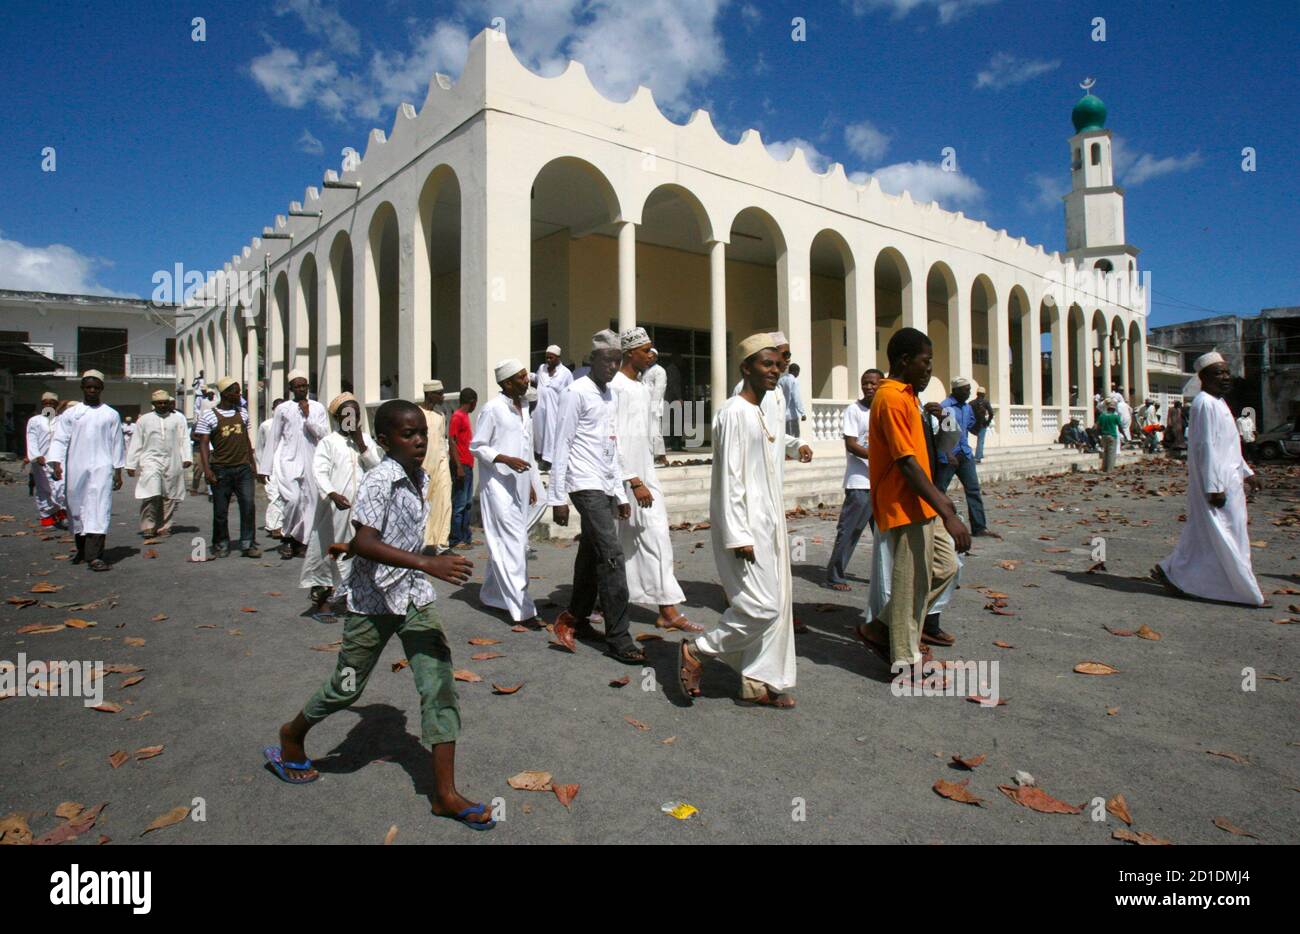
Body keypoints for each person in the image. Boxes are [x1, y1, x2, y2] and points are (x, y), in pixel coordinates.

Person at [263, 400, 494, 830]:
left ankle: (444, 794)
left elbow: (385, 535)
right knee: (345, 688)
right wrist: (427, 562)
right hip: (372, 602)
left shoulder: (418, 476)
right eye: (409, 435)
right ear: (385, 441)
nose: (420, 441)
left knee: (439, 685)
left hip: (413, 599)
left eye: (422, 432)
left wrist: (352, 550)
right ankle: (291, 735)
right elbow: (368, 539)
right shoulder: (379, 479)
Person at [678, 334, 812, 708]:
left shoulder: (761, 408)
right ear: (746, 368)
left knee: (780, 605)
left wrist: (794, 445)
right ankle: (699, 650)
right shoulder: (735, 412)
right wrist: (738, 533)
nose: (775, 370)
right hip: (745, 526)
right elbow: (731, 479)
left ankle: (758, 681)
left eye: (778, 364)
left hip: (769, 521)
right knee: (761, 606)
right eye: (766, 364)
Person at [853, 329, 970, 674]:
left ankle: (880, 627)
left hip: (924, 503)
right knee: (910, 581)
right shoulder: (890, 398)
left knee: (946, 567)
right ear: (905, 361)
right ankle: (904, 659)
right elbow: (906, 462)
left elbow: (931, 450)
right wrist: (948, 511)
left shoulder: (910, 397)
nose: (930, 368)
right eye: (926, 361)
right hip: (904, 504)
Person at [549, 331, 644, 664]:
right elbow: (560, 444)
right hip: (582, 483)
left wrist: (619, 492)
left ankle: (576, 617)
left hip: (604, 483)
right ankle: (619, 638)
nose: (613, 367)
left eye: (618, 361)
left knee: (592, 553)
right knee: (612, 555)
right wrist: (557, 497)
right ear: (593, 360)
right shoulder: (575, 392)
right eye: (607, 360)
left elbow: (611, 446)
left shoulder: (609, 397)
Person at [1153, 354, 1265, 606]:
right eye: (1218, 373)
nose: (1225, 377)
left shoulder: (1219, 402)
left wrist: (1248, 473)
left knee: (1209, 534)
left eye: (1226, 372)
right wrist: (1214, 487)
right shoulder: (1204, 404)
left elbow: (1229, 446)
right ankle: (1242, 590)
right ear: (1203, 378)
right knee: (1225, 534)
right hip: (1216, 484)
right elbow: (1206, 448)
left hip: (1230, 480)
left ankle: (1173, 570)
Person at [611, 327, 698, 632]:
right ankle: (661, 608)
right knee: (627, 542)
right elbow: (613, 439)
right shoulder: (617, 387)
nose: (650, 355)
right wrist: (632, 480)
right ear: (630, 352)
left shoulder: (641, 387)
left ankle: (666, 608)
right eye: (645, 350)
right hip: (626, 481)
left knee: (653, 537)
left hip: (645, 476)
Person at [471, 361, 543, 627]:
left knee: (508, 542)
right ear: (507, 383)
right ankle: (522, 609)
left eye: (526, 375)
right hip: (498, 487)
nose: (527, 380)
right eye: (522, 377)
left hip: (521, 486)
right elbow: (477, 446)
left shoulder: (524, 408)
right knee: (513, 544)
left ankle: (491, 594)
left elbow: (525, 450)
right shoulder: (492, 409)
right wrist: (503, 458)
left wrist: (532, 483)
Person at [301, 393, 382, 612]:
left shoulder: (365, 440)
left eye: (354, 413)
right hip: (336, 509)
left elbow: (376, 467)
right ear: (338, 417)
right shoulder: (329, 442)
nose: (351, 418)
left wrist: (361, 443)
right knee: (332, 552)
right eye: (346, 414)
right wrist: (333, 494)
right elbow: (319, 472)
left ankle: (353, 598)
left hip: (362, 510)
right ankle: (324, 600)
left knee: (360, 551)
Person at [47, 370, 125, 571]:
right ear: (82, 388)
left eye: (96, 387)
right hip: (76, 467)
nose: (92, 390)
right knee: (77, 507)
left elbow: (117, 443)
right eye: (88, 387)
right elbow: (60, 439)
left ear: (101, 389)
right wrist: (56, 462)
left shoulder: (110, 414)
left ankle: (95, 557)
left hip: (102, 467)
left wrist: (118, 471)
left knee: (99, 508)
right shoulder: (71, 414)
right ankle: (82, 551)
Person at [825, 368, 883, 591]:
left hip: (881, 483)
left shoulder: (883, 410)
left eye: (873, 383)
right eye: (865, 383)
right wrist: (879, 458)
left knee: (884, 535)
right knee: (849, 532)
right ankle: (835, 576)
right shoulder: (854, 410)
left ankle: (884, 575)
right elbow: (851, 444)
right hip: (860, 483)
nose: (868, 387)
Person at [194, 377, 262, 558]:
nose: (239, 395)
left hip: (243, 469)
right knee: (220, 510)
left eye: (239, 391)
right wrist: (207, 470)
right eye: (236, 392)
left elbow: (246, 440)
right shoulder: (209, 415)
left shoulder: (243, 413)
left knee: (248, 506)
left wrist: (253, 463)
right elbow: (203, 444)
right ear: (225, 394)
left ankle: (248, 543)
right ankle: (221, 543)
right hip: (221, 469)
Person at [267, 370, 329, 559]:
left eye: (304, 386)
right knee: (293, 500)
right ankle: (286, 537)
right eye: (298, 386)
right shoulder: (283, 409)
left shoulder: (317, 408)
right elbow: (273, 438)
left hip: (311, 461)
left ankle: (301, 542)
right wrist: (265, 468)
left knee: (309, 503)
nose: (302, 389)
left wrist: (308, 415)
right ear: (291, 388)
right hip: (288, 461)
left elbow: (323, 434)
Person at [933, 377, 993, 537]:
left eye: (969, 390)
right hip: (949, 456)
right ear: (956, 390)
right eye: (965, 390)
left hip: (965, 454)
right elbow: (942, 433)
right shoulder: (946, 407)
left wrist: (982, 418)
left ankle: (979, 527)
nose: (968, 393)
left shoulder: (966, 407)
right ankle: (935, 525)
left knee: (973, 490)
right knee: (939, 491)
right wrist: (948, 453)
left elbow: (972, 429)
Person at [125, 390, 190, 537]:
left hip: (172, 459)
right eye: (159, 403)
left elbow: (184, 439)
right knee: (151, 492)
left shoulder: (178, 419)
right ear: (153, 404)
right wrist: (131, 464)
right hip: (150, 460)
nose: (162, 405)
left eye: (165, 403)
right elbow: (136, 442)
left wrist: (187, 457)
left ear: (169, 404)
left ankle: (164, 526)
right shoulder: (144, 420)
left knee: (170, 494)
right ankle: (148, 526)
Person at [419, 381, 453, 555]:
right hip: (424, 464)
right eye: (439, 393)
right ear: (430, 394)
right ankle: (424, 542)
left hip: (441, 462)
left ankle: (441, 542)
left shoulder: (441, 415)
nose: (442, 397)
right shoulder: (418, 413)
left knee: (444, 499)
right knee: (424, 502)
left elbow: (443, 439)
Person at [25, 391, 64, 528]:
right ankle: (47, 518)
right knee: (44, 489)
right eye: (46, 403)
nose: (48, 405)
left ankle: (60, 514)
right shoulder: (35, 421)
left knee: (60, 488)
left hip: (58, 460)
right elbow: (31, 439)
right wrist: (36, 455)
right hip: (40, 461)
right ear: (42, 405)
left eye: (51, 403)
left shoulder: (61, 420)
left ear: (56, 405)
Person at [532, 345, 572, 468]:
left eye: (551, 358)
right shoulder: (542, 368)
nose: (548, 360)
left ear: (558, 358)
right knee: (538, 431)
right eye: (547, 357)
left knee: (551, 432)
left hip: (554, 409)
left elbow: (571, 392)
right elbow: (537, 379)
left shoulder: (565, 373)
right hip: (539, 407)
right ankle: (538, 455)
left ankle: (548, 460)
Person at [449, 388, 477, 548]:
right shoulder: (457, 417)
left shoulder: (464, 416)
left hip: (468, 463)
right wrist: (458, 466)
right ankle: (456, 538)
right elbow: (452, 441)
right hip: (461, 465)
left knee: (467, 502)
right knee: (459, 503)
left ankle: (466, 537)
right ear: (472, 401)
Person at [256, 398, 286, 538]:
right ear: (273, 409)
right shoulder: (266, 425)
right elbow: (260, 448)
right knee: (274, 496)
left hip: (287, 467)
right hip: (271, 467)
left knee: (286, 496)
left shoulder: (291, 424)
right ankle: (274, 526)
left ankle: (284, 524)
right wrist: (262, 468)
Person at [642, 348, 668, 465]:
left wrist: (653, 406)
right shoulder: (645, 370)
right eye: (647, 356)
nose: (648, 358)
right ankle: (652, 455)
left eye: (651, 357)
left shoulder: (659, 371)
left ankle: (661, 456)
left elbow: (659, 389)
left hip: (653, 406)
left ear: (656, 358)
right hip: (645, 404)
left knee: (655, 431)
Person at [779, 362, 805, 438]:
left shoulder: (781, 380)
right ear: (795, 371)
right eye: (798, 372)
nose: (798, 374)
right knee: (794, 438)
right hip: (792, 415)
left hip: (783, 414)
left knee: (785, 437)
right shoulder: (794, 380)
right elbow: (797, 398)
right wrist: (802, 413)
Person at [1098, 400, 1122, 472]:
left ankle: (1104, 468)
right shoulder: (1115, 416)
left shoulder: (1102, 416)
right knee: (1111, 453)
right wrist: (1124, 435)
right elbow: (1120, 427)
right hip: (1112, 436)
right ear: (1114, 409)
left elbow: (1098, 426)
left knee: (1105, 453)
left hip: (1104, 436)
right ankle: (1109, 469)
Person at [971, 388, 993, 463]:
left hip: (973, 424)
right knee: (980, 441)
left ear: (977, 393)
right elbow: (991, 413)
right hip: (982, 424)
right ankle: (978, 457)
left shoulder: (972, 403)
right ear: (984, 394)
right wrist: (988, 421)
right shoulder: (986, 402)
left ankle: (979, 454)